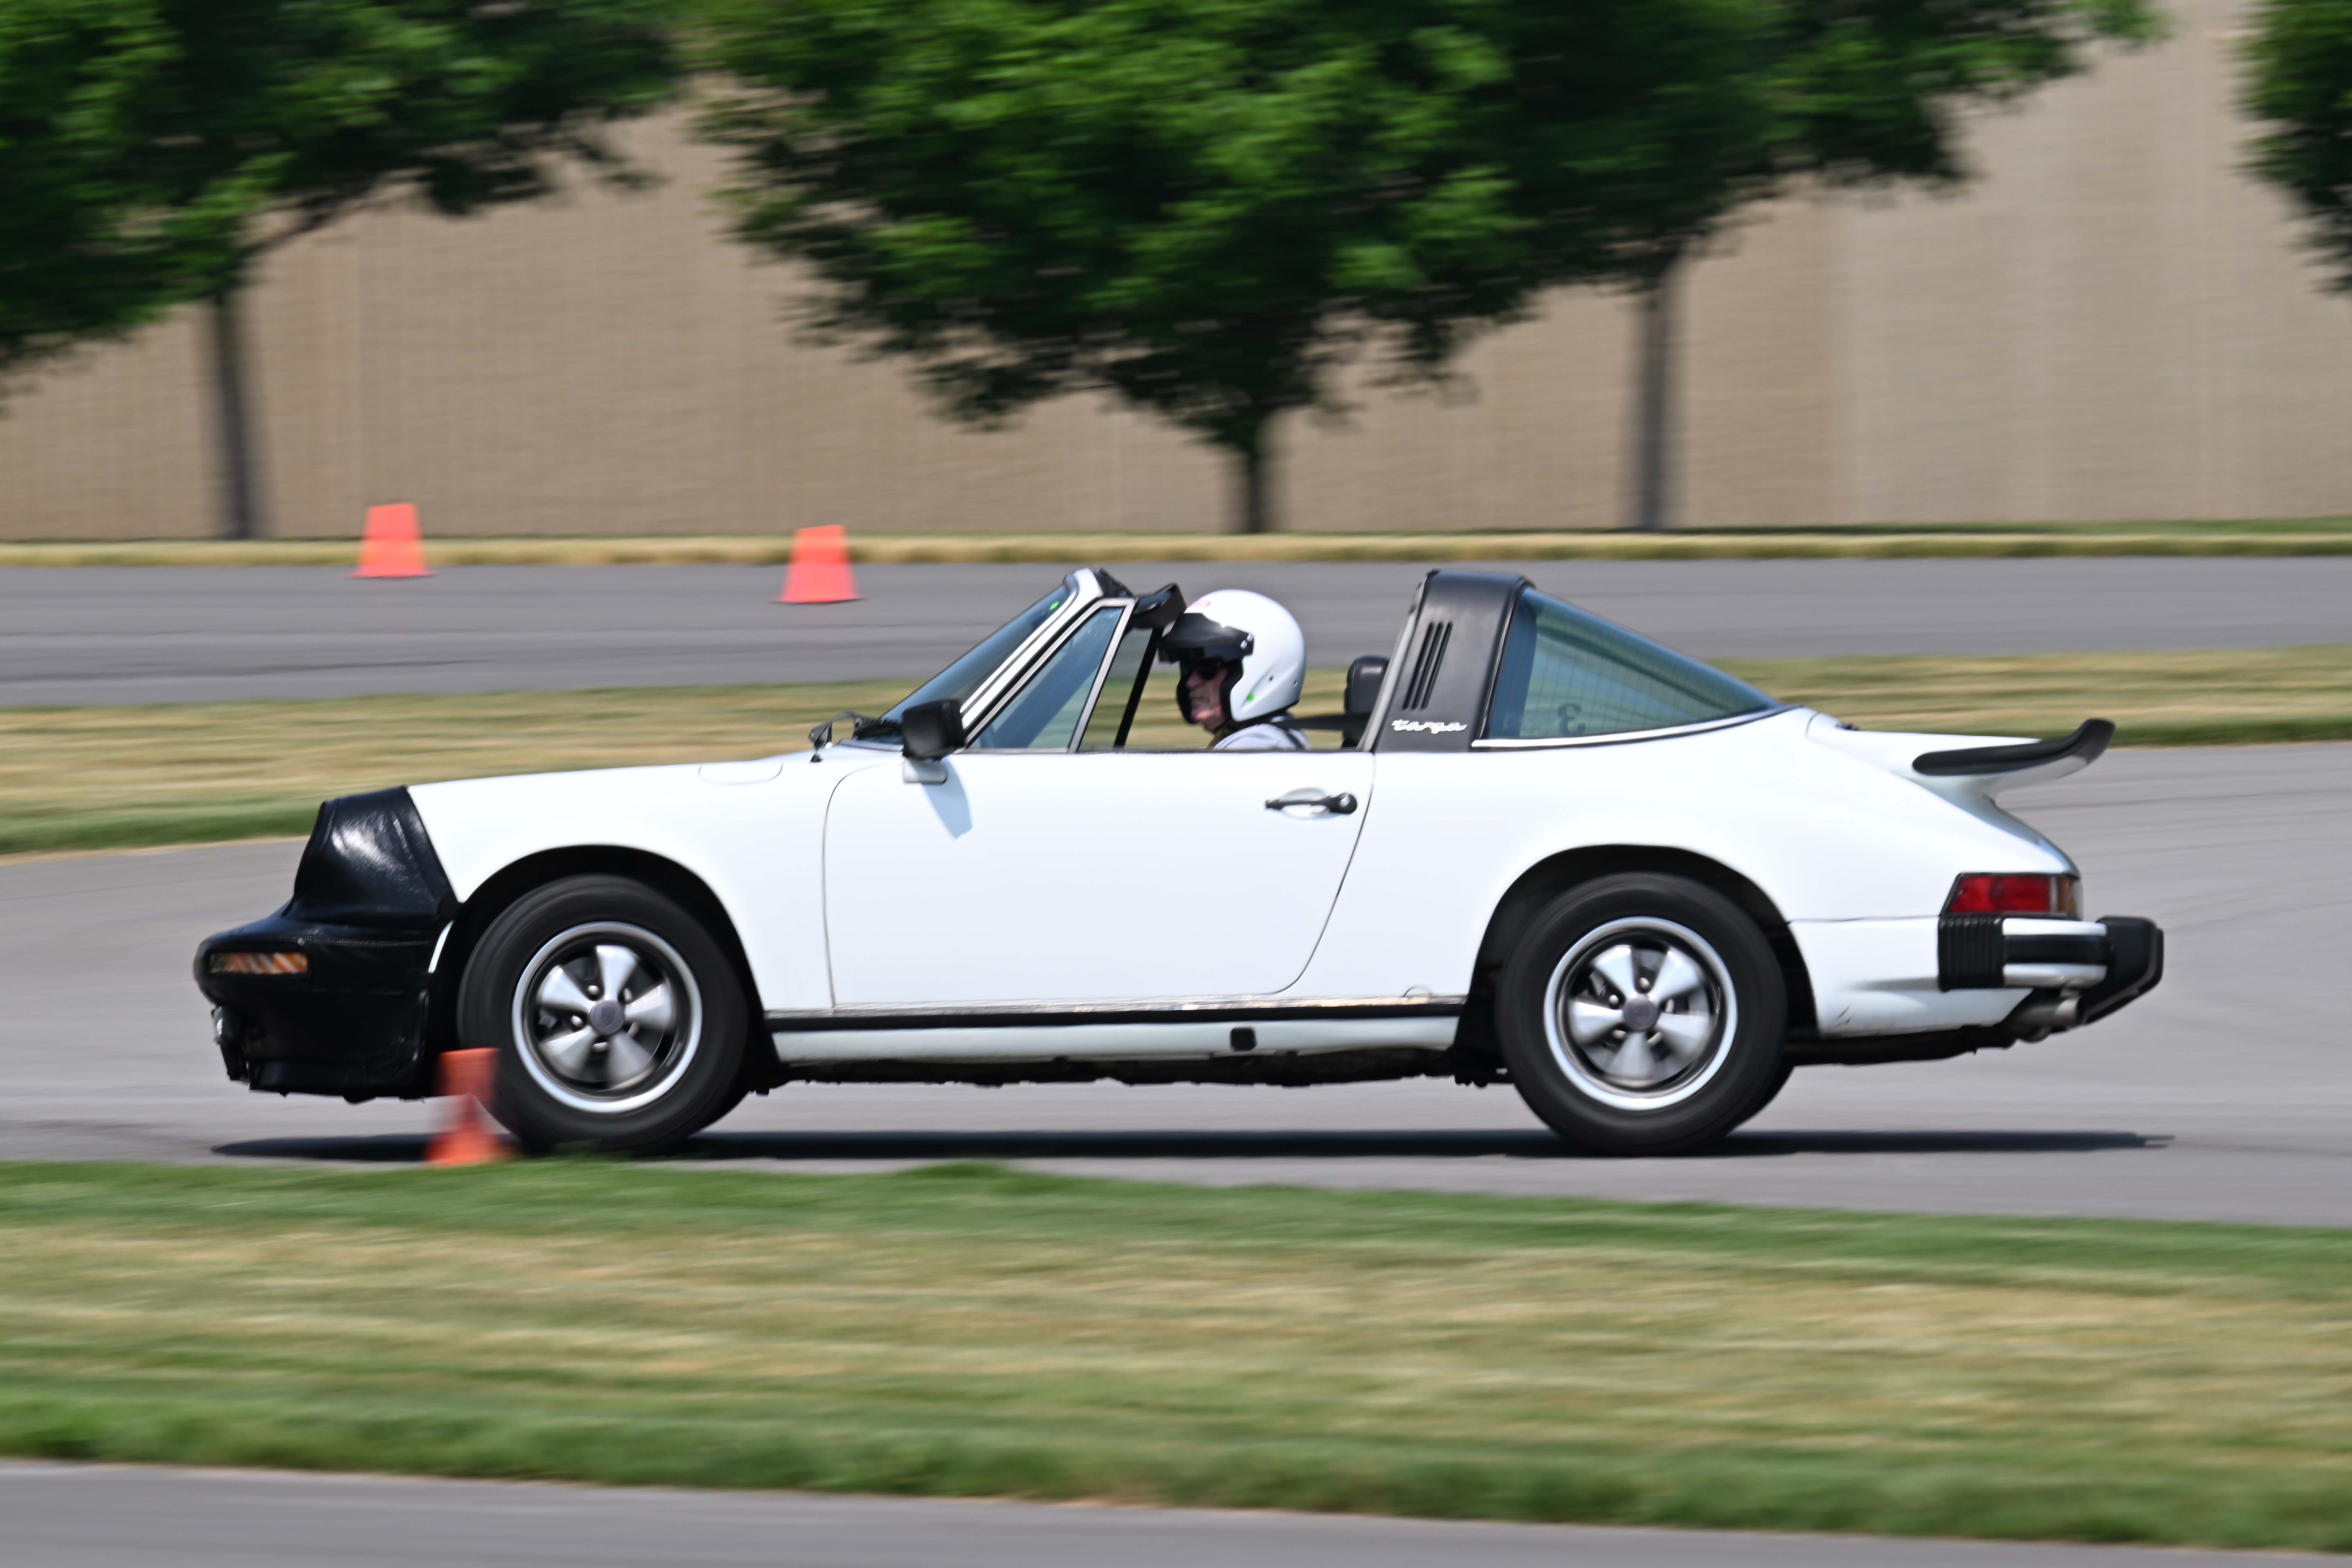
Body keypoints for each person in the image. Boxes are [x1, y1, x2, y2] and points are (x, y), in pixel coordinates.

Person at [1158, 589, 1311, 751]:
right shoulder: (1255, 740)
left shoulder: (1259, 749)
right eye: (1188, 667)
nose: (1191, 682)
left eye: (1208, 667)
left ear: (1259, 670)